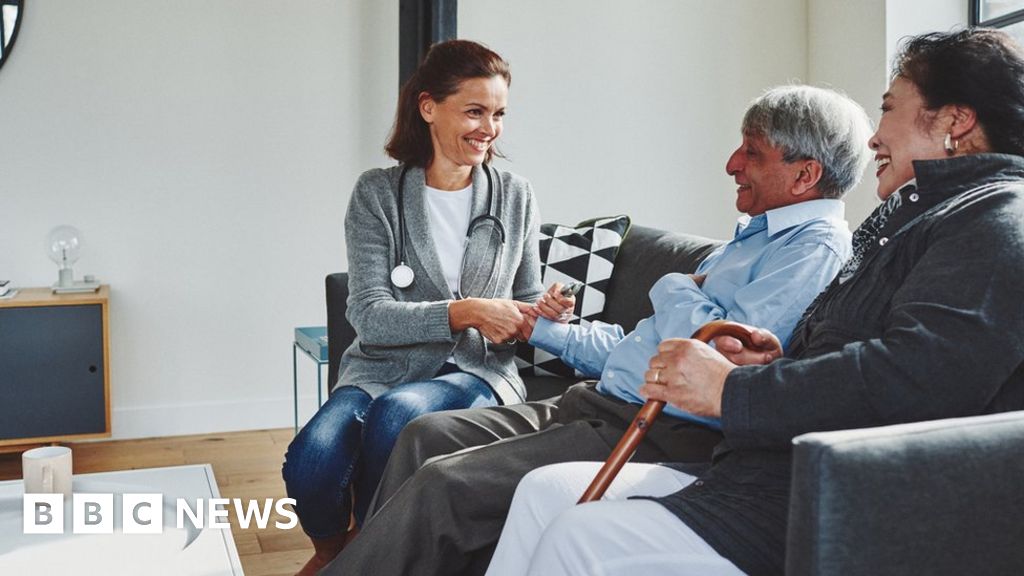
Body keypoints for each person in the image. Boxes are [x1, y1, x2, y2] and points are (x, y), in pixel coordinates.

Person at [486, 28, 1024, 576]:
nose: (873, 138)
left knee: (582, 538)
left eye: (889, 108)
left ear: (955, 122)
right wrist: (775, 361)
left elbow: (914, 379)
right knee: (543, 494)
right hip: (755, 469)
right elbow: (871, 355)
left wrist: (731, 388)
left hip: (812, 496)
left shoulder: (995, 223)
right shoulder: (916, 219)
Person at [321, 84, 875, 576]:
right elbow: (635, 345)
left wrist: (675, 285)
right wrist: (533, 326)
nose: (732, 163)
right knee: (426, 434)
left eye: (751, 152)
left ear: (805, 175)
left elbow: (720, 353)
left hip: (656, 429)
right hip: (598, 400)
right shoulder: (754, 239)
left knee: (446, 485)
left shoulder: (812, 252)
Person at [281, 39, 551, 576]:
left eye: (498, 114)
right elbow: (370, 316)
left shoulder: (515, 195)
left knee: (398, 418)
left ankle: (380, 559)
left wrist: (541, 312)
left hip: (477, 371)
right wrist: (467, 311)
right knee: (311, 460)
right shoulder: (377, 195)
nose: (489, 128)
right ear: (429, 108)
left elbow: (524, 303)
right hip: (381, 367)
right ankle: (339, 556)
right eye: (474, 111)